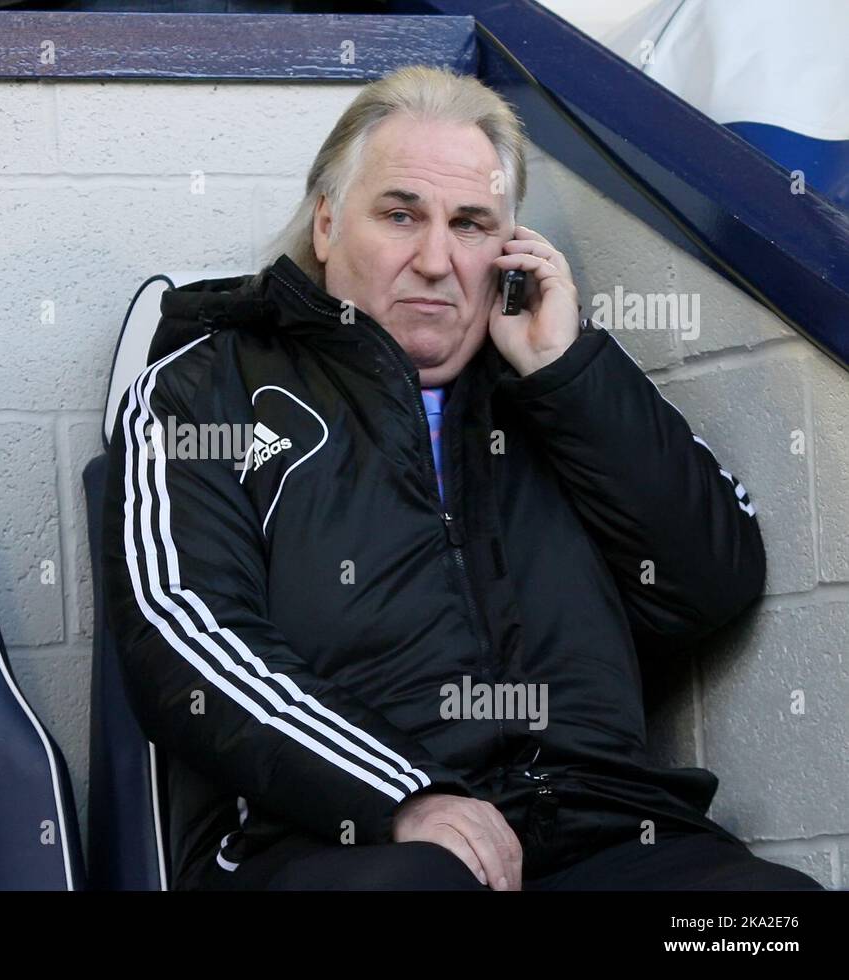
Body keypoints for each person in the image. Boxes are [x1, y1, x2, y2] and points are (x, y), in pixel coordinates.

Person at [101, 65, 822, 891]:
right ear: (329, 223)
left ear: (509, 249)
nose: (437, 259)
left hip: (598, 831)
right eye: (401, 214)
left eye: (472, 224)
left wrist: (567, 371)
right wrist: (402, 795)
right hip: (338, 839)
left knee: (766, 915)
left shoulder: (555, 385)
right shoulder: (205, 388)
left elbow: (711, 586)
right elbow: (184, 633)